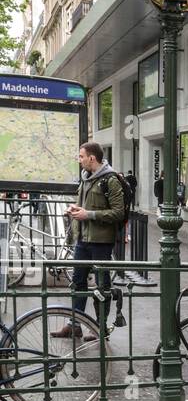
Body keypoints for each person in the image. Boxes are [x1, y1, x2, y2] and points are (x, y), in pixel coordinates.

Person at [53, 142, 125, 338]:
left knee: (102, 285)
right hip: (82, 239)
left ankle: (100, 328)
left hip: (101, 241)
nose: (79, 159)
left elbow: (119, 213)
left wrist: (89, 214)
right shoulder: (85, 178)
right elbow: (84, 206)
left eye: (81, 156)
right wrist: (75, 209)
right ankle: (74, 324)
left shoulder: (110, 180)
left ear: (92, 158)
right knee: (77, 282)